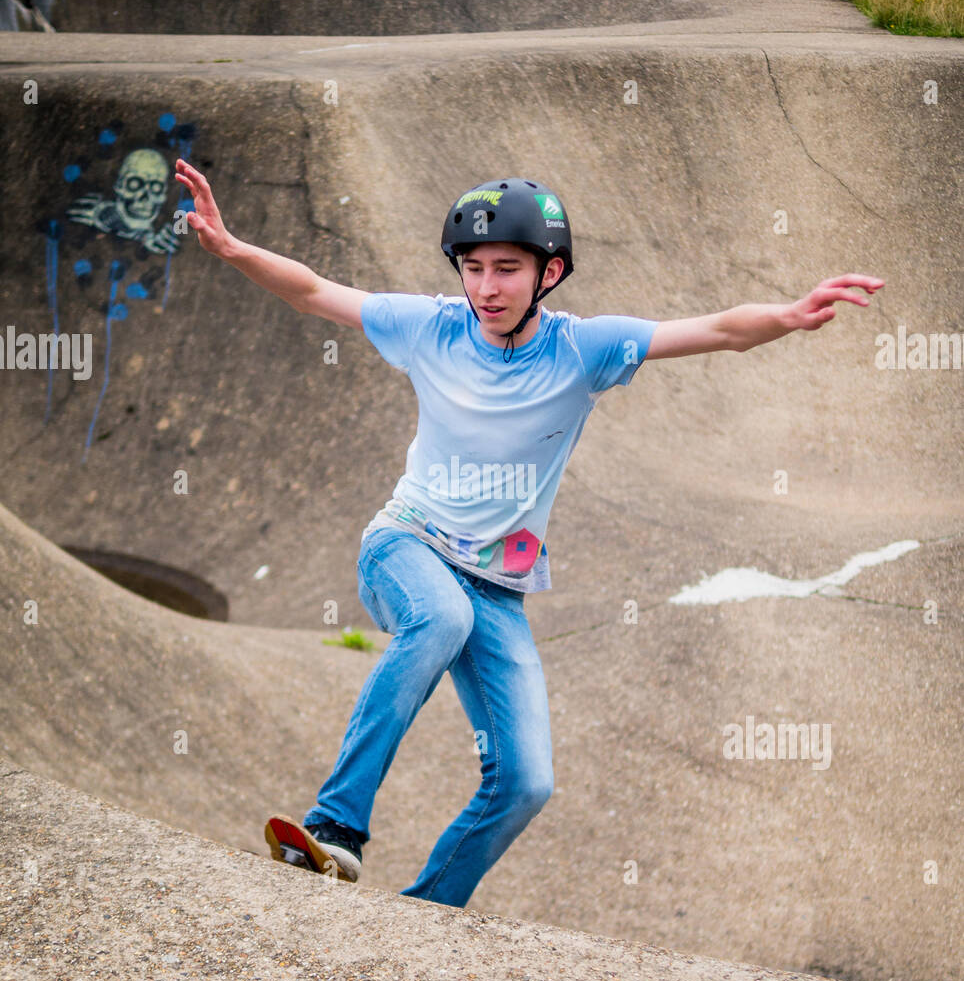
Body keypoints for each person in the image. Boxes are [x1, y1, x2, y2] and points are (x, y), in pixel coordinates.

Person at [175, 159, 883, 907]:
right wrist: (232, 248)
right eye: (472, 268)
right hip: (405, 547)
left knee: (525, 782)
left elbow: (713, 330)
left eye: (507, 269)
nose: (485, 288)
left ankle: (425, 913)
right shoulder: (429, 328)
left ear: (549, 274)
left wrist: (790, 314)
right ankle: (338, 827)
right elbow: (316, 292)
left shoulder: (585, 350)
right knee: (438, 617)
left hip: (498, 591)